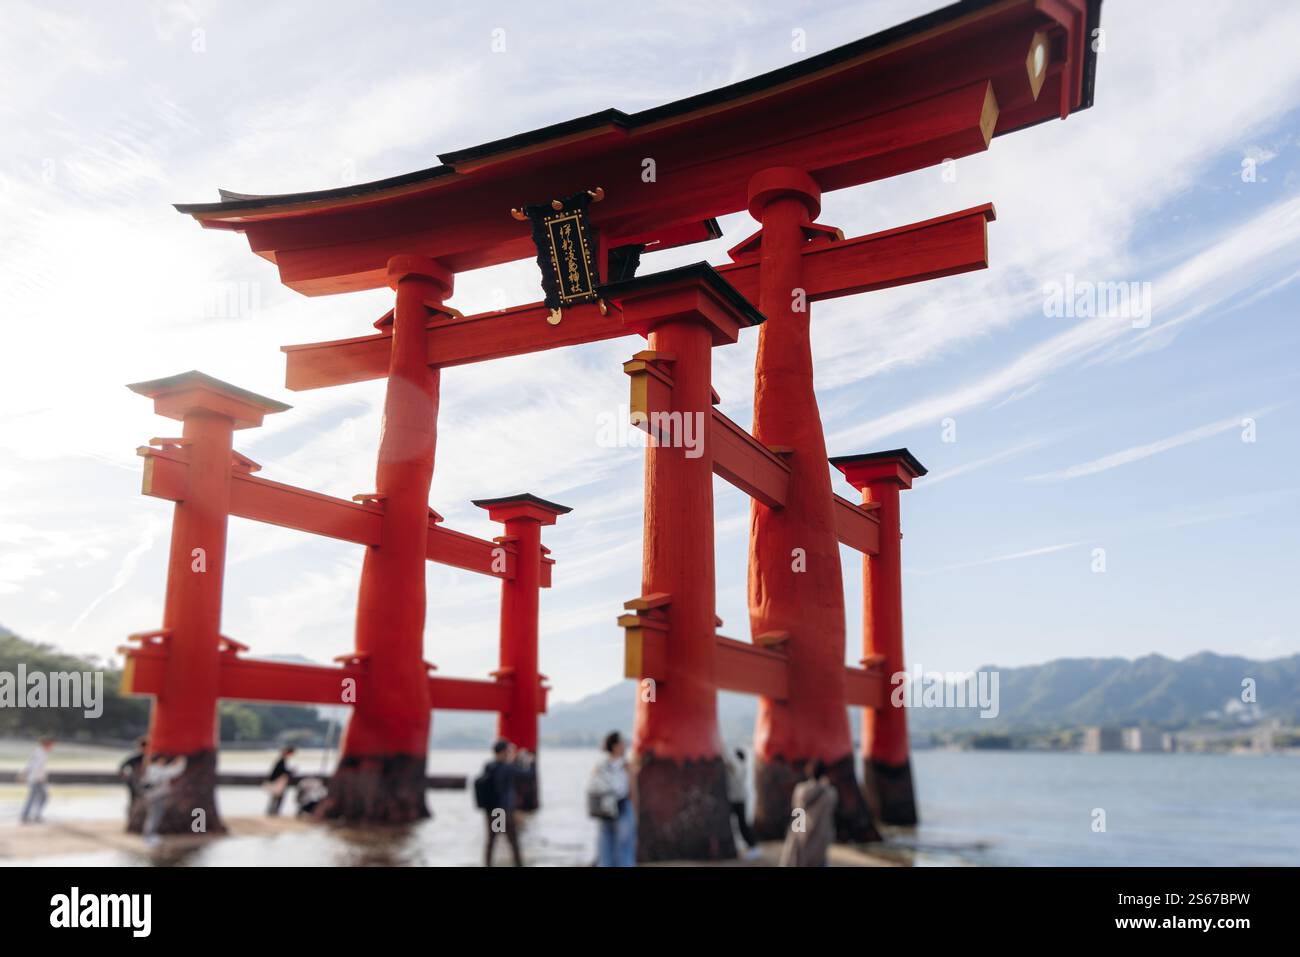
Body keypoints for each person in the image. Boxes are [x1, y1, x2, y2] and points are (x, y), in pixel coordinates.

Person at [478, 739, 534, 867]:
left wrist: (513, 758)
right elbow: (528, 775)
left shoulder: (488, 766)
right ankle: (518, 864)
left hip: (490, 810)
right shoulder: (507, 768)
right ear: (503, 752)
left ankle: (487, 864)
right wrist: (531, 762)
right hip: (503, 811)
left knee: (492, 840)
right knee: (512, 841)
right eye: (507, 751)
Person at [588, 731, 636, 867]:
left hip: (604, 809)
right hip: (622, 807)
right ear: (616, 746)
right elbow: (632, 791)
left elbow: (593, 786)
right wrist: (635, 811)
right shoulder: (625, 765)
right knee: (624, 849)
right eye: (622, 743)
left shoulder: (599, 765)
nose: (625, 746)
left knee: (605, 849)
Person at [779, 760, 838, 867]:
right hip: (820, 836)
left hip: (802, 832)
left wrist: (796, 833)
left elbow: (797, 811)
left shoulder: (800, 789)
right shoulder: (830, 793)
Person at [140, 753, 187, 843]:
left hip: (152, 796)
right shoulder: (156, 770)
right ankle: (149, 836)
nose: (164, 762)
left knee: (154, 816)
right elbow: (172, 772)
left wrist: (175, 762)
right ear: (158, 760)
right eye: (162, 760)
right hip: (156, 797)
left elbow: (168, 770)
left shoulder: (152, 769)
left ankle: (149, 835)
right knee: (154, 816)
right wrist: (182, 762)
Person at [725, 747, 760, 857]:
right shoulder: (743, 767)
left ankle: (752, 846)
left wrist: (723, 751)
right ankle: (750, 846)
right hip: (739, 799)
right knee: (741, 825)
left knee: (741, 825)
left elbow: (731, 764)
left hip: (735, 800)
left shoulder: (739, 767)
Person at [18, 737, 54, 824]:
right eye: (51, 745)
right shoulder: (40, 753)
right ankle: (28, 815)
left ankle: (31, 815)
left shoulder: (41, 752)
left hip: (38, 779)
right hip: (36, 779)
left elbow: (31, 764)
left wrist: (23, 774)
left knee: (40, 797)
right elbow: (34, 766)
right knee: (37, 797)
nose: (52, 747)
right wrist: (24, 774)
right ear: (47, 744)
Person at [118, 737, 148, 813]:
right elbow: (122, 767)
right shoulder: (135, 758)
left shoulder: (150, 758)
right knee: (134, 799)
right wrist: (125, 777)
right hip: (134, 782)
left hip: (146, 782)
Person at [265, 745, 296, 816]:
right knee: (277, 797)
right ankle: (273, 812)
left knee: (276, 797)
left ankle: (272, 812)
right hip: (277, 782)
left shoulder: (282, 760)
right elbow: (281, 771)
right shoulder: (282, 760)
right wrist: (290, 771)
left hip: (278, 781)